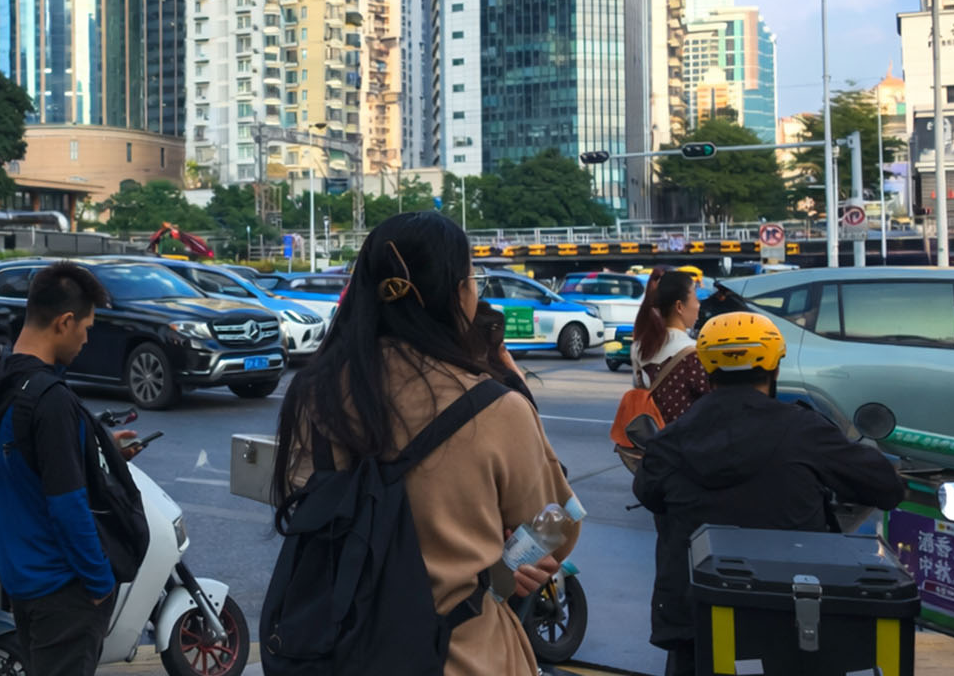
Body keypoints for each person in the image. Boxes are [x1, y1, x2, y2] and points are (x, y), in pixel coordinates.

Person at [272, 213, 579, 676]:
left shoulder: (315, 394)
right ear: (458, 292)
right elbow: (558, 525)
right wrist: (502, 570)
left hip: (337, 651)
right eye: (472, 278)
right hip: (460, 655)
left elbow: (304, 506)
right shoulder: (497, 407)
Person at [634, 310, 904, 676]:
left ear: (708, 370)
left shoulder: (670, 442)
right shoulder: (805, 430)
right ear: (775, 368)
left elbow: (648, 494)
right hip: (790, 619)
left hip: (695, 622)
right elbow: (887, 488)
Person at [0, 263, 142, 676]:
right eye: (86, 327)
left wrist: (94, 448)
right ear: (64, 322)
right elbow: (67, 506)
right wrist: (100, 583)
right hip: (63, 588)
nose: (86, 339)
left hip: (22, 579)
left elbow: (23, 469)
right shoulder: (51, 400)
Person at [631, 269, 709, 425]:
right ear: (679, 306)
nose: (698, 305)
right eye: (695, 297)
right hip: (685, 444)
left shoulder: (638, 348)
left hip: (653, 445)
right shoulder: (696, 353)